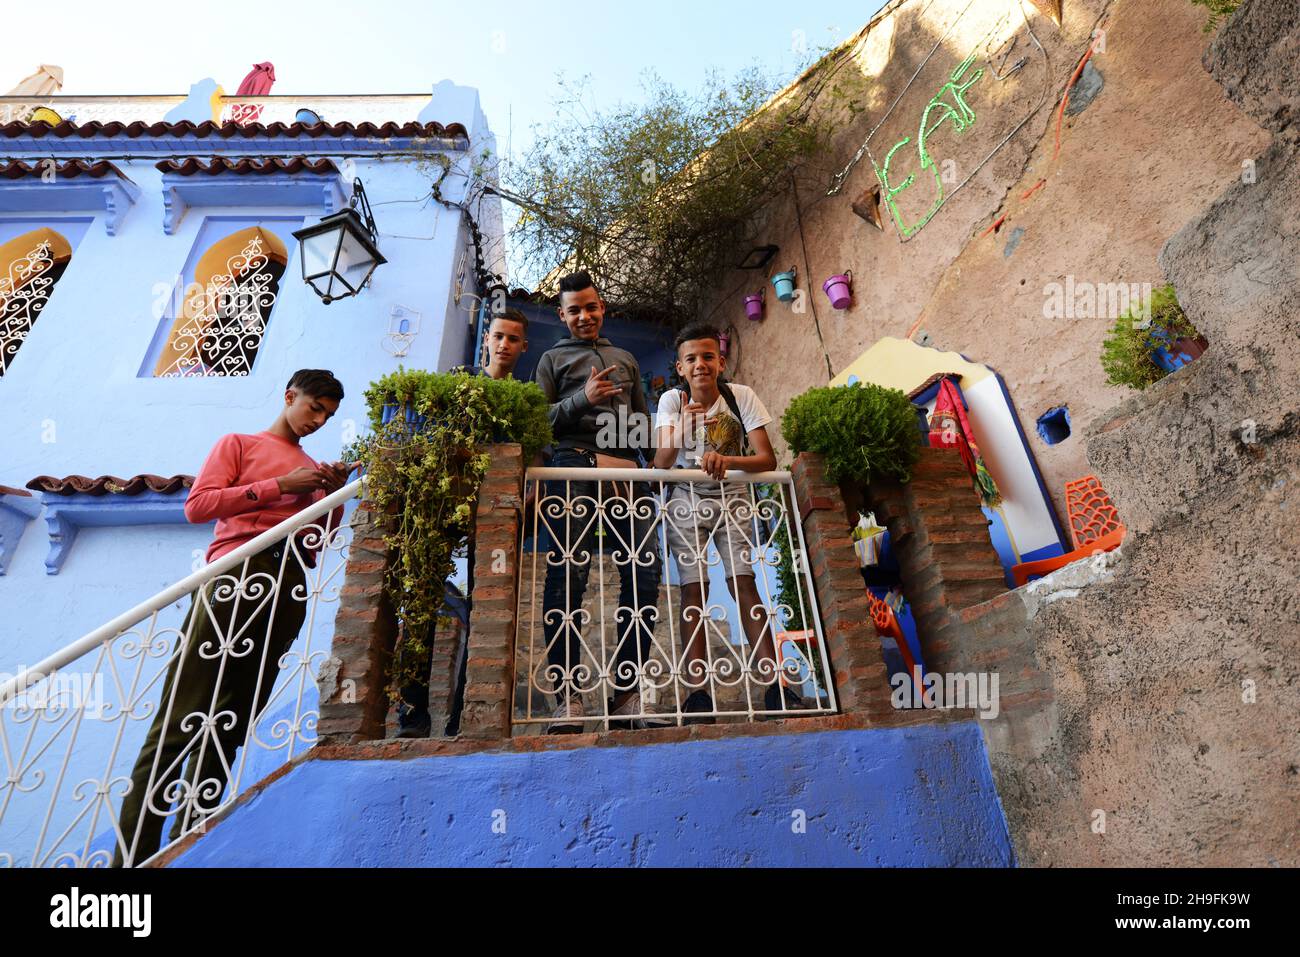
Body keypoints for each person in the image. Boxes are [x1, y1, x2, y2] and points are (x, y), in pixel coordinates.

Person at [113, 370, 355, 866]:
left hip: (288, 586)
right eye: (314, 408)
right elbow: (198, 506)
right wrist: (280, 485)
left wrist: (331, 497)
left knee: (232, 721)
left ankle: (183, 847)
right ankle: (129, 859)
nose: (318, 420)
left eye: (328, 415)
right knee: (184, 714)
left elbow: (318, 541)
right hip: (235, 576)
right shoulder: (240, 443)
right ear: (290, 396)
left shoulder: (311, 468)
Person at [653, 323, 803, 723]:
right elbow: (660, 463)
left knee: (744, 583)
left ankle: (775, 688)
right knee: (693, 591)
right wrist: (683, 426)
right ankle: (699, 694)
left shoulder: (741, 396)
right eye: (691, 359)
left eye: (708, 356)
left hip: (732, 497)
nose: (700, 364)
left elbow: (766, 459)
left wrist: (728, 461)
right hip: (686, 499)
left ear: (720, 361)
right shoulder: (671, 400)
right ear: (680, 367)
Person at [533, 271, 661, 733]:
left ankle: (626, 697)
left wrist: (652, 467)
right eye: (574, 310)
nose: (584, 316)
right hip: (573, 468)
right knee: (568, 576)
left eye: (591, 307)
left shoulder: (624, 357)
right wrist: (580, 399)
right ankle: (569, 699)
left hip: (626, 471)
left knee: (645, 575)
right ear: (561, 315)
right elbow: (537, 421)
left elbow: (642, 422)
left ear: (601, 306)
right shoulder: (551, 359)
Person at [395, 308, 531, 738]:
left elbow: (535, 455)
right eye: (498, 337)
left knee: (484, 610)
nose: (504, 344)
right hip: (441, 506)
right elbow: (428, 433)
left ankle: (461, 719)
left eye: (513, 339)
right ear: (486, 340)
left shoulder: (525, 400)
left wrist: (527, 495)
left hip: (493, 514)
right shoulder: (459, 384)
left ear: (523, 346)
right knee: (419, 607)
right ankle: (412, 717)